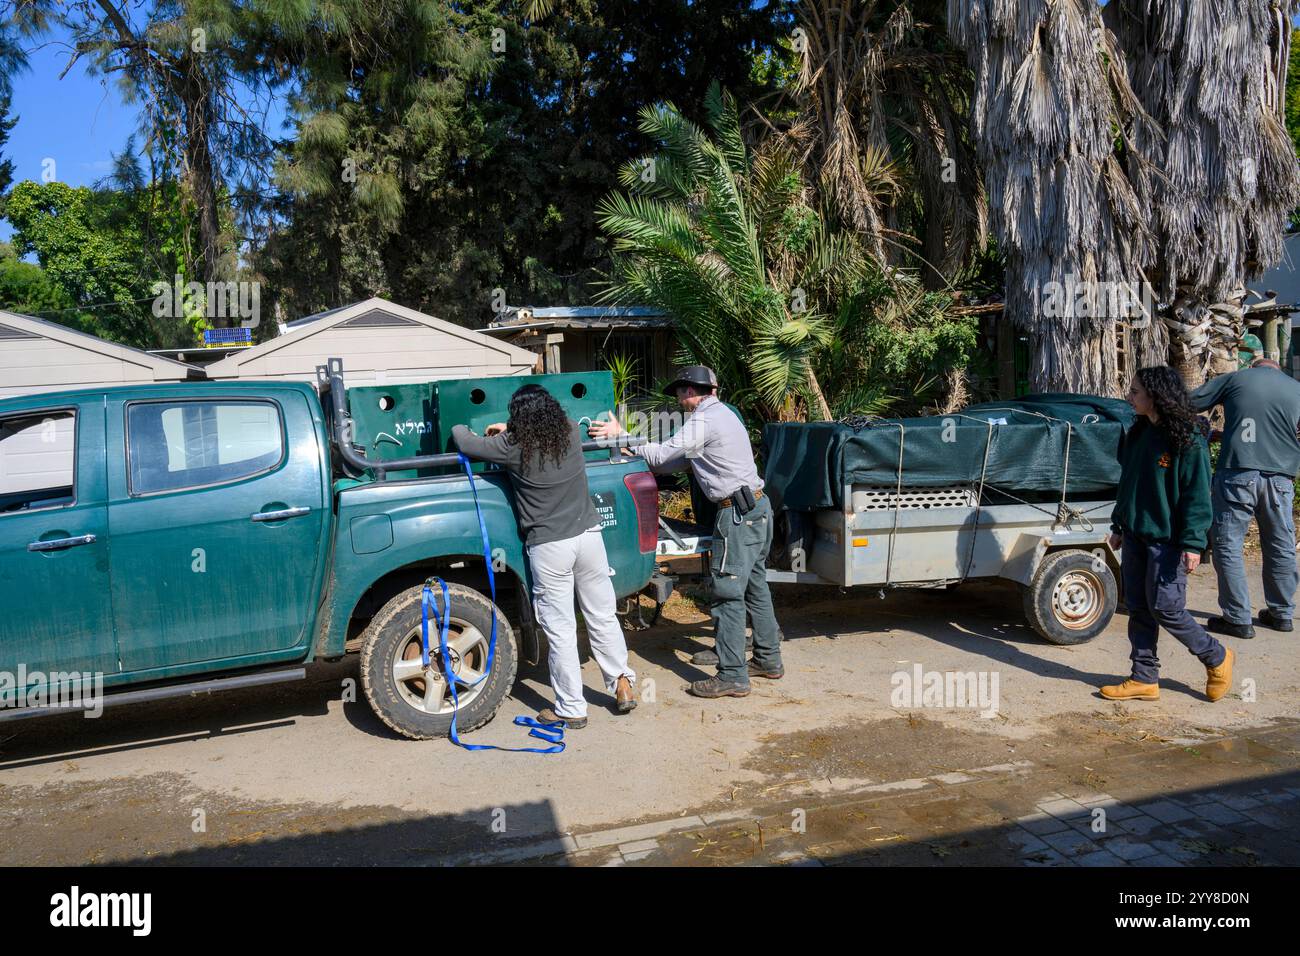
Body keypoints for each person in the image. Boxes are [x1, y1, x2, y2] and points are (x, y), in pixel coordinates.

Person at [589, 365, 783, 699]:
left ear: (688, 391)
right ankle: (767, 659)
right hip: (757, 508)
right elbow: (679, 462)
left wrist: (622, 437)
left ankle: (733, 675)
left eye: (679, 392)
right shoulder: (724, 415)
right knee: (754, 587)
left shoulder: (704, 420)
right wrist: (635, 450)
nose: (678, 399)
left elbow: (664, 454)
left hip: (735, 515)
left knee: (727, 593)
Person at [452, 384, 636, 728]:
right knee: (602, 615)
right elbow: (539, 427)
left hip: (550, 546)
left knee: (561, 629)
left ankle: (571, 708)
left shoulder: (511, 447)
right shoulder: (567, 429)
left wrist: (473, 427)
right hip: (589, 537)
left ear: (518, 418)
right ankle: (622, 684)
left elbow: (464, 441)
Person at [1102, 365, 1234, 703]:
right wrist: (1119, 526)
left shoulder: (1188, 438)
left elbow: (1197, 495)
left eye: (1134, 392)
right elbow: (1129, 484)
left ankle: (1216, 656)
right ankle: (1144, 677)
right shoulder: (1138, 432)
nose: (1128, 397)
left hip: (1170, 541)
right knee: (1139, 607)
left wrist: (1193, 543)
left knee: (1167, 607)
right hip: (1135, 535)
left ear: (1155, 397)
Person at [1190, 358, 1300, 639]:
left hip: (1238, 473)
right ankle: (1282, 613)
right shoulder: (1295, 388)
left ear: (1253, 367)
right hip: (1280, 479)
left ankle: (1238, 618)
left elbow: (1190, 402)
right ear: (1277, 370)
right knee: (1281, 545)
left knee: (1228, 544)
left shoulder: (1237, 378)